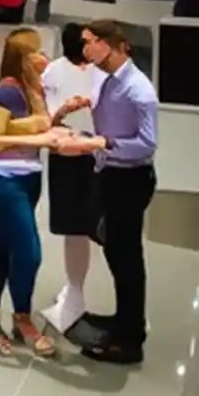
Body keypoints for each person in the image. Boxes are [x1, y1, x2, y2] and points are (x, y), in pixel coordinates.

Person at [54, 19, 158, 365]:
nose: (84, 50)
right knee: (116, 254)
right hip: (110, 176)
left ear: (110, 44)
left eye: (89, 42)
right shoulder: (107, 80)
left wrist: (104, 143)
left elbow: (146, 144)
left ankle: (130, 340)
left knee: (127, 260)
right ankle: (125, 319)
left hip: (130, 180)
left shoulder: (138, 90)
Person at [0, 27, 66, 358]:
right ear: (23, 58)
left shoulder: (35, 88)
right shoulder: (5, 91)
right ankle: (23, 318)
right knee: (29, 250)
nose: (45, 58)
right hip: (0, 179)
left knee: (2, 242)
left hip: (28, 178)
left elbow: (43, 121)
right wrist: (40, 139)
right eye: (38, 53)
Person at [39, 23, 104, 333]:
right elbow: (45, 118)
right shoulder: (53, 72)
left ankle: (76, 288)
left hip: (92, 154)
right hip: (65, 153)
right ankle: (73, 286)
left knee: (85, 225)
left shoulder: (100, 73)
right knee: (71, 226)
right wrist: (64, 110)